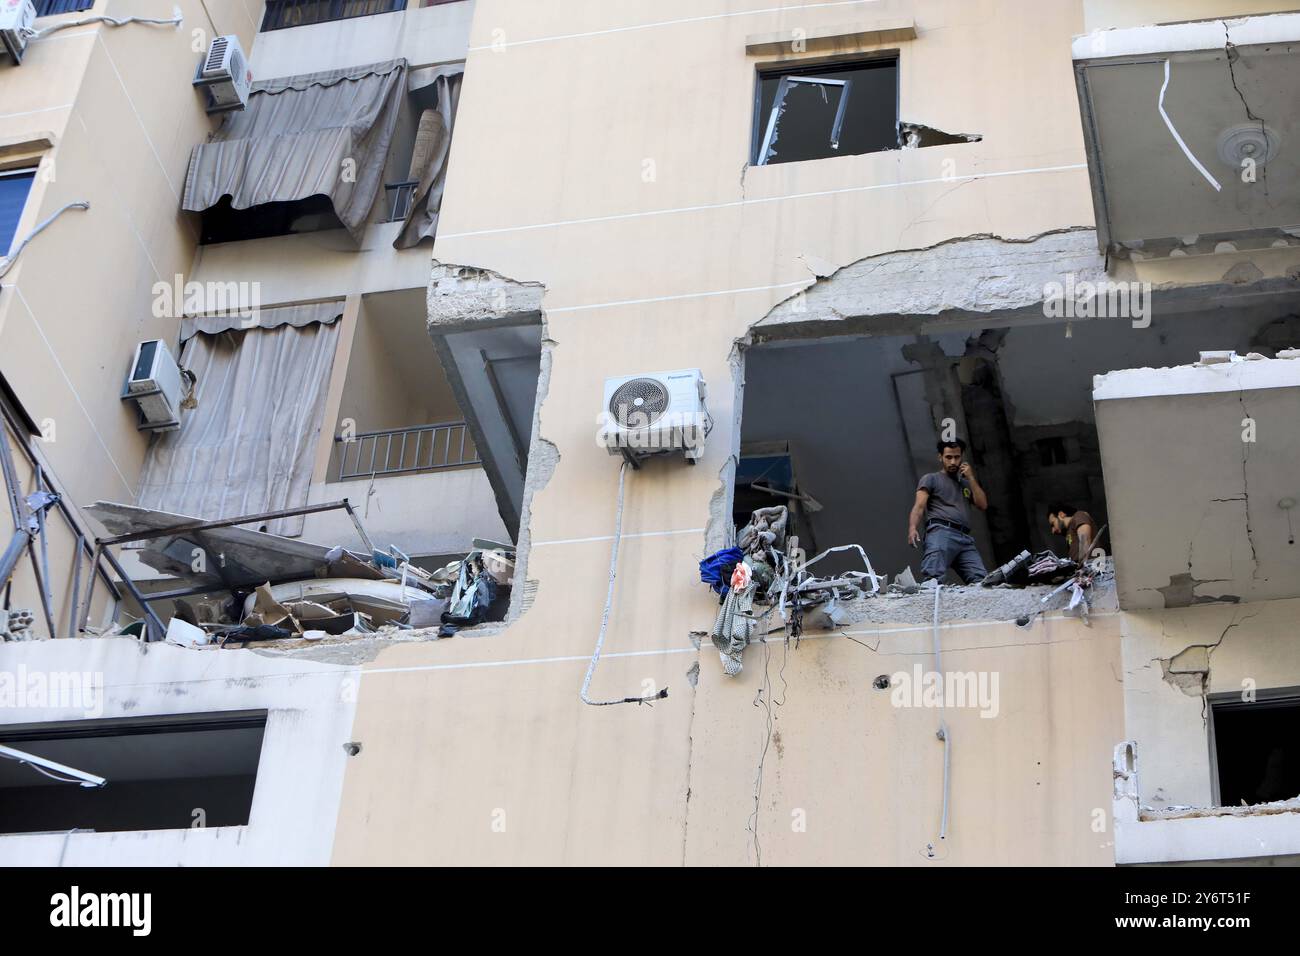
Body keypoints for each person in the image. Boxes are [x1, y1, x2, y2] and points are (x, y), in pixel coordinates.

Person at [907, 438, 989, 583]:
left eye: (956, 457)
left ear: (961, 457)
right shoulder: (931, 479)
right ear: (940, 457)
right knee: (933, 577)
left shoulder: (965, 484)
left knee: (981, 580)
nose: (952, 462)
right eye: (948, 457)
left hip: (964, 537)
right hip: (941, 531)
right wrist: (912, 528)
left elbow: (982, 505)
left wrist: (970, 477)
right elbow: (919, 506)